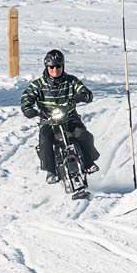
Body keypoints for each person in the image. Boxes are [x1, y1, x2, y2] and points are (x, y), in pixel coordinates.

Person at [19, 48, 98, 182]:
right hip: (48, 121)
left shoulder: (71, 81)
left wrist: (80, 96)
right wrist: (28, 109)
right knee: (45, 139)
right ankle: (50, 171)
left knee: (81, 134)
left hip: (70, 118)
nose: (55, 69)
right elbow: (26, 99)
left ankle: (89, 163)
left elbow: (87, 93)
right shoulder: (38, 85)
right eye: (51, 67)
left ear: (63, 66)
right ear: (47, 67)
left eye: (58, 66)